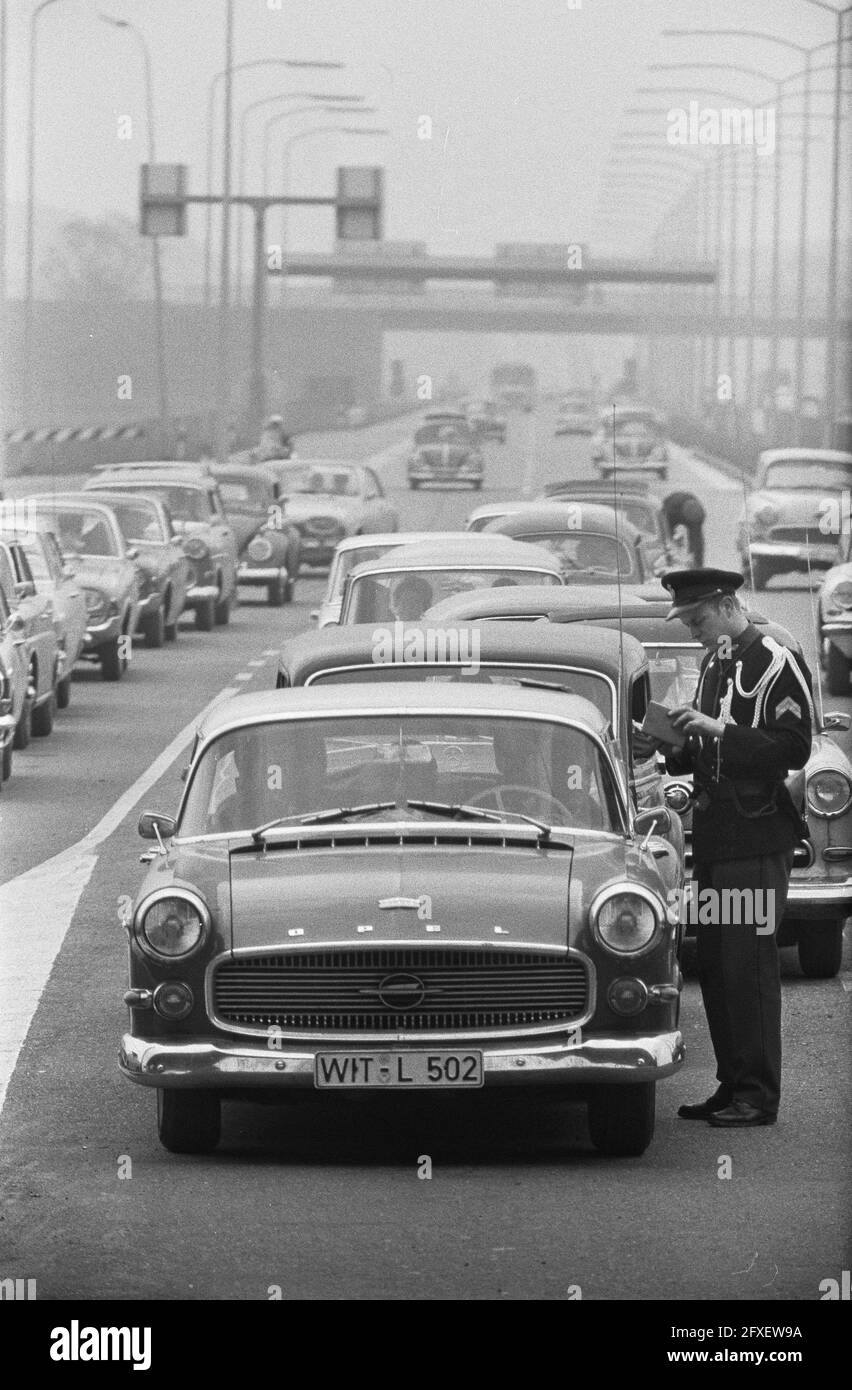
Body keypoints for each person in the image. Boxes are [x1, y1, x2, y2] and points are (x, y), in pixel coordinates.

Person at [636, 568, 813, 1128]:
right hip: (715, 837)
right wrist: (669, 742)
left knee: (749, 966)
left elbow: (792, 747)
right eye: (687, 621)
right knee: (716, 963)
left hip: (757, 834)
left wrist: (714, 730)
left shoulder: (773, 659)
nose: (691, 629)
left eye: (697, 618)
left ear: (728, 603)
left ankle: (758, 1094)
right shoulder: (715, 660)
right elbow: (704, 748)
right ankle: (731, 1082)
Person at [662, 490, 706, 567]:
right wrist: (672, 540)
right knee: (666, 538)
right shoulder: (671, 510)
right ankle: (668, 560)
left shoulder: (699, 514)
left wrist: (697, 562)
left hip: (689, 505)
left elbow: (697, 541)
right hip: (672, 506)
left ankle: (697, 565)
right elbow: (666, 529)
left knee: (696, 539)